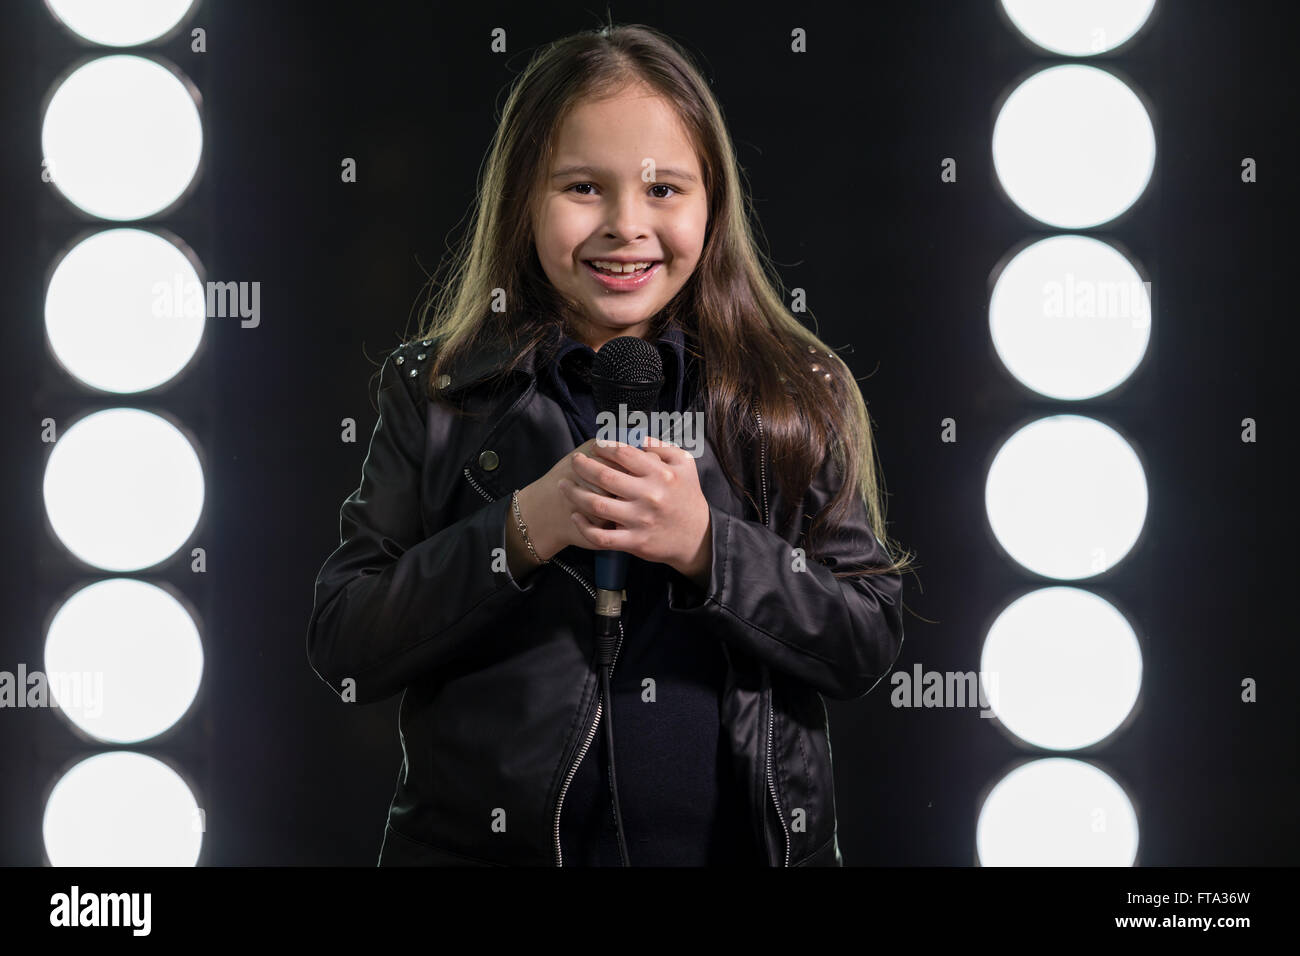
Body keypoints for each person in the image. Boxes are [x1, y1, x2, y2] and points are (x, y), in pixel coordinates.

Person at [306, 22, 913, 867]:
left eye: (665, 190)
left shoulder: (792, 390)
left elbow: (865, 640)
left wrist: (712, 550)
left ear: (714, 203)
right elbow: (346, 640)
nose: (628, 226)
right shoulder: (439, 390)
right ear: (525, 198)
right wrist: (520, 530)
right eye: (583, 187)